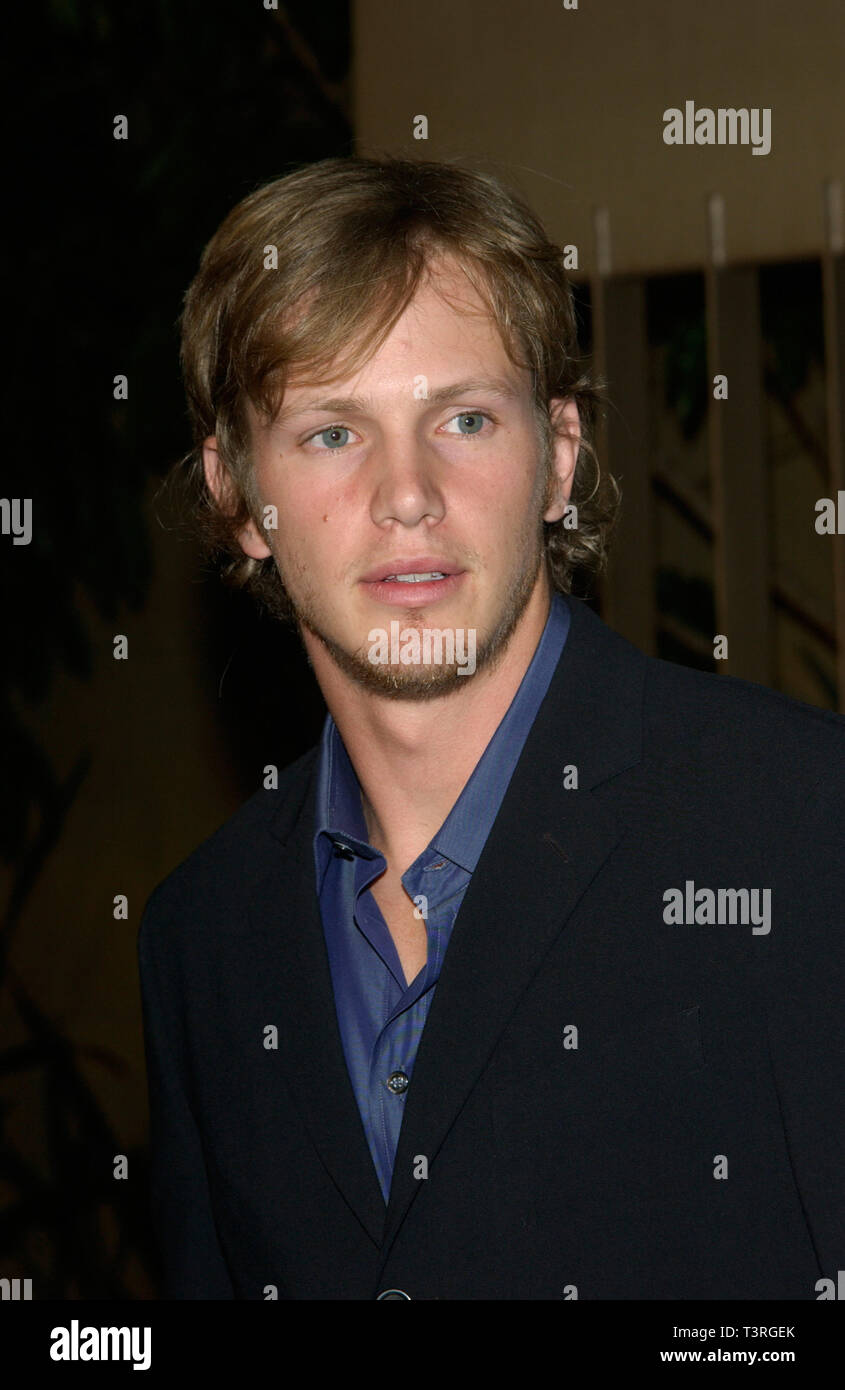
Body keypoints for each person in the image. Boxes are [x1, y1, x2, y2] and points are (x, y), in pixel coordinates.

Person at [138, 155, 845, 1300]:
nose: (405, 491)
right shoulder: (200, 942)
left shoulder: (803, 834)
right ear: (235, 495)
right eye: (330, 432)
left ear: (557, 457)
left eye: (462, 417)